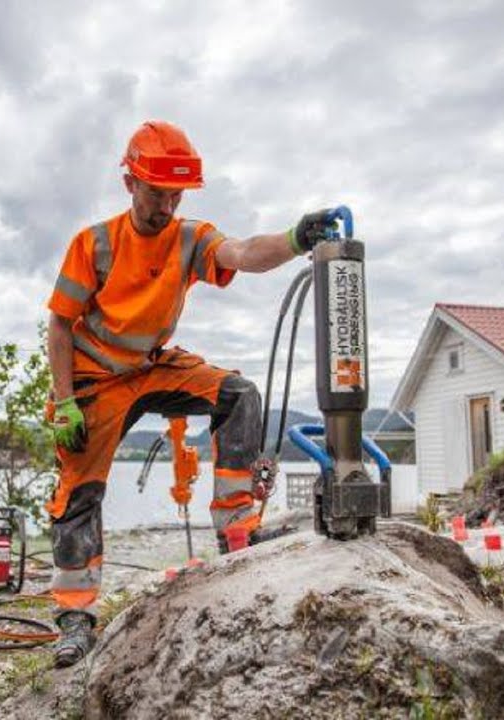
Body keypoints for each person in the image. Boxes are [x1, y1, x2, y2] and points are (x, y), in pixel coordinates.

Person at [43, 119, 336, 667]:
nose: (167, 206)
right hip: (94, 379)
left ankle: (236, 533)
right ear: (130, 182)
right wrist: (63, 401)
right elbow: (59, 327)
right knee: (79, 491)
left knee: (239, 395)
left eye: (176, 194)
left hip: (153, 367)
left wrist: (296, 239)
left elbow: (245, 252)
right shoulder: (95, 244)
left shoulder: (189, 238)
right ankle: (76, 618)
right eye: (157, 193)